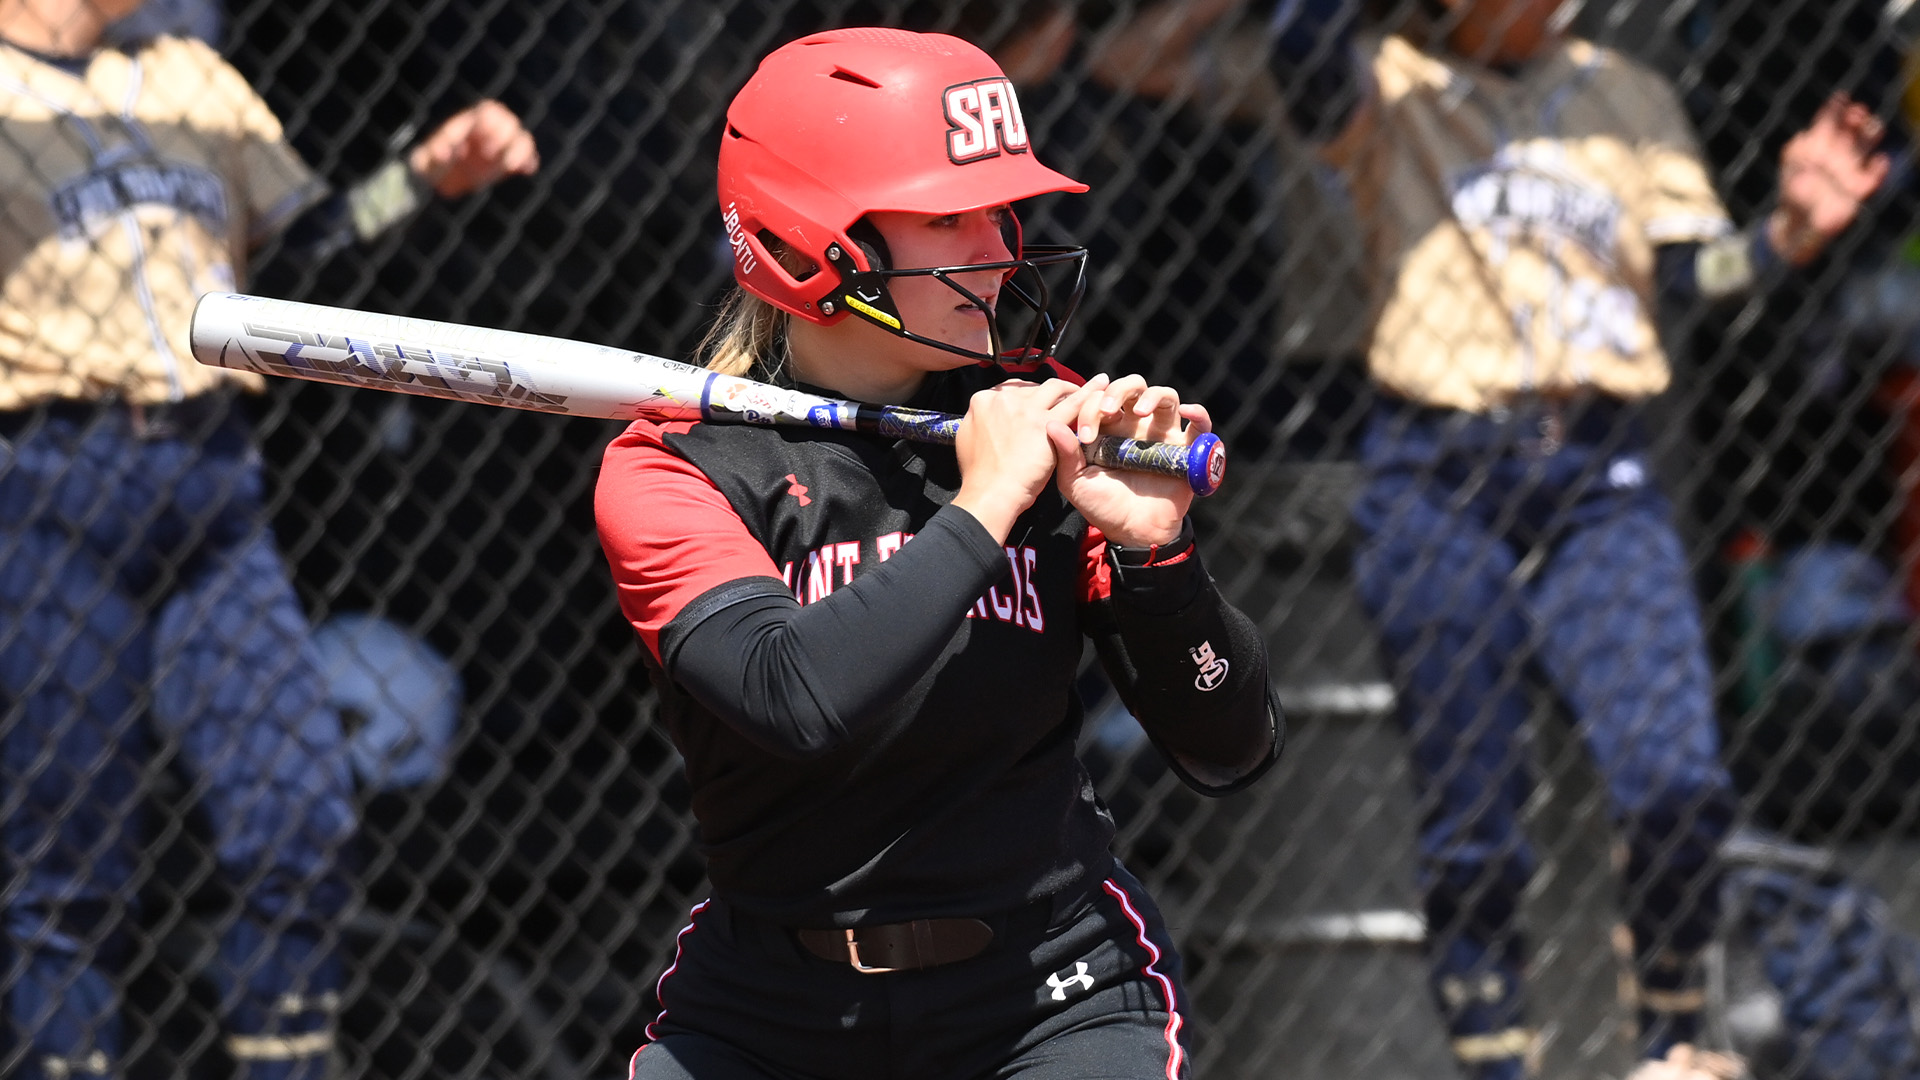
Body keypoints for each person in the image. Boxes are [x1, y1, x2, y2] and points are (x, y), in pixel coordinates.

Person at [595, 27, 1280, 1080]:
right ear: (820, 240)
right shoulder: (677, 470)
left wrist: (1157, 556)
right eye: (950, 216)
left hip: (1048, 990)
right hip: (772, 1009)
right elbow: (796, 698)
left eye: (1002, 211)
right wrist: (987, 500)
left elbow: (1228, 746)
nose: (1003, 250)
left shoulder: (1028, 429)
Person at [1264, 1, 1890, 1078]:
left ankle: (1674, 1033)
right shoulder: (1390, 82)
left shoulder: (1627, 97)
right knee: (1476, 827)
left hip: (1600, 474)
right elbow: (1298, 58)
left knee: (1675, 781)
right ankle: (1496, 1059)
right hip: (1436, 476)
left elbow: (1697, 276)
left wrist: (1787, 236)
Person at [0, 1, 536, 1077]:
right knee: (70, 862)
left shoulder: (190, 74)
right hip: (46, 479)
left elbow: (309, 260)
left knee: (299, 813)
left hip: (210, 484)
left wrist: (422, 179)